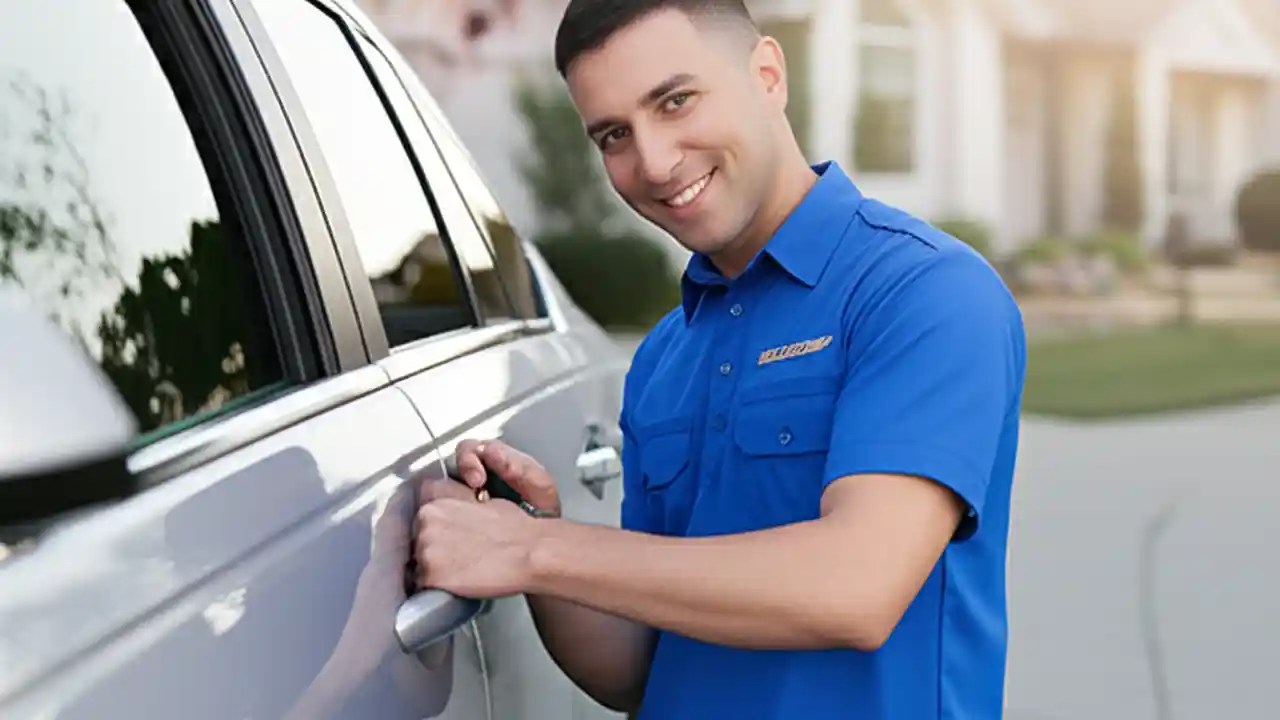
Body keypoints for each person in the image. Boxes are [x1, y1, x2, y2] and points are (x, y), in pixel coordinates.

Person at [411, 0, 1027, 718]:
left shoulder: (924, 292)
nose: (654, 162)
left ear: (767, 76)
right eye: (614, 135)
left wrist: (536, 551)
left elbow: (856, 588)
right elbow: (635, 671)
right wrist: (535, 540)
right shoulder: (664, 356)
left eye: (675, 101)